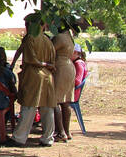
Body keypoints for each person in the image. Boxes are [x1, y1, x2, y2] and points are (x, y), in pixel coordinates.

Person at [9, 13, 56, 147]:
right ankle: (47, 138)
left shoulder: (31, 38)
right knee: (47, 108)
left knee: (29, 106)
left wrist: (43, 64)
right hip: (48, 76)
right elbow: (52, 62)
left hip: (34, 75)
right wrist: (47, 66)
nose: (26, 26)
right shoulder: (47, 40)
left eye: (27, 24)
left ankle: (19, 137)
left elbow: (31, 59)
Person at [51, 21, 78, 141]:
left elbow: (50, 50)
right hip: (69, 67)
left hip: (60, 68)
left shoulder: (59, 38)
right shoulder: (69, 37)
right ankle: (67, 131)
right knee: (66, 101)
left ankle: (61, 132)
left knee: (55, 100)